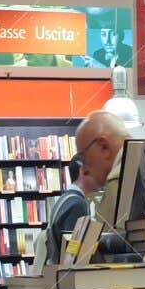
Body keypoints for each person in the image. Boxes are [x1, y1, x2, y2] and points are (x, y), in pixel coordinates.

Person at [45, 109, 128, 261]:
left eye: (84, 157)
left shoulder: (119, 183)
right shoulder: (139, 166)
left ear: (104, 147)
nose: (85, 168)